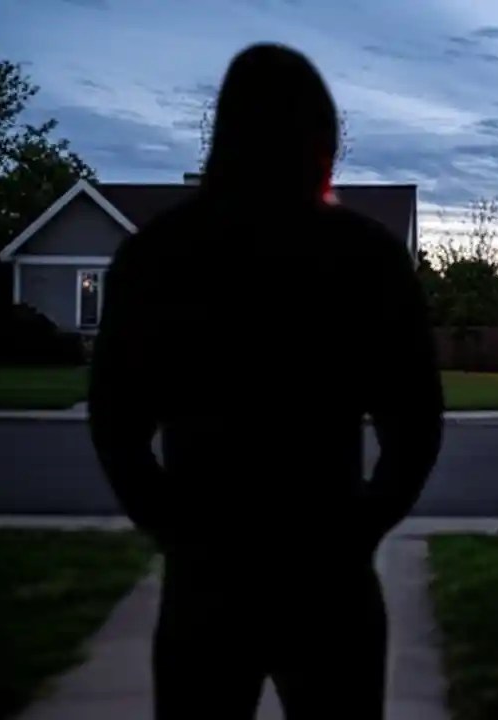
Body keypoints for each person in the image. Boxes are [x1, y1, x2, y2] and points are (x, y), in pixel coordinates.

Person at [87, 43, 444, 719]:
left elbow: (115, 427)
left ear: (224, 133)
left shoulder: (158, 257)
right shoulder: (365, 259)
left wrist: (177, 531)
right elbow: (417, 428)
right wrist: (358, 529)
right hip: (328, 582)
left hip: (207, 584)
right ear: (323, 138)